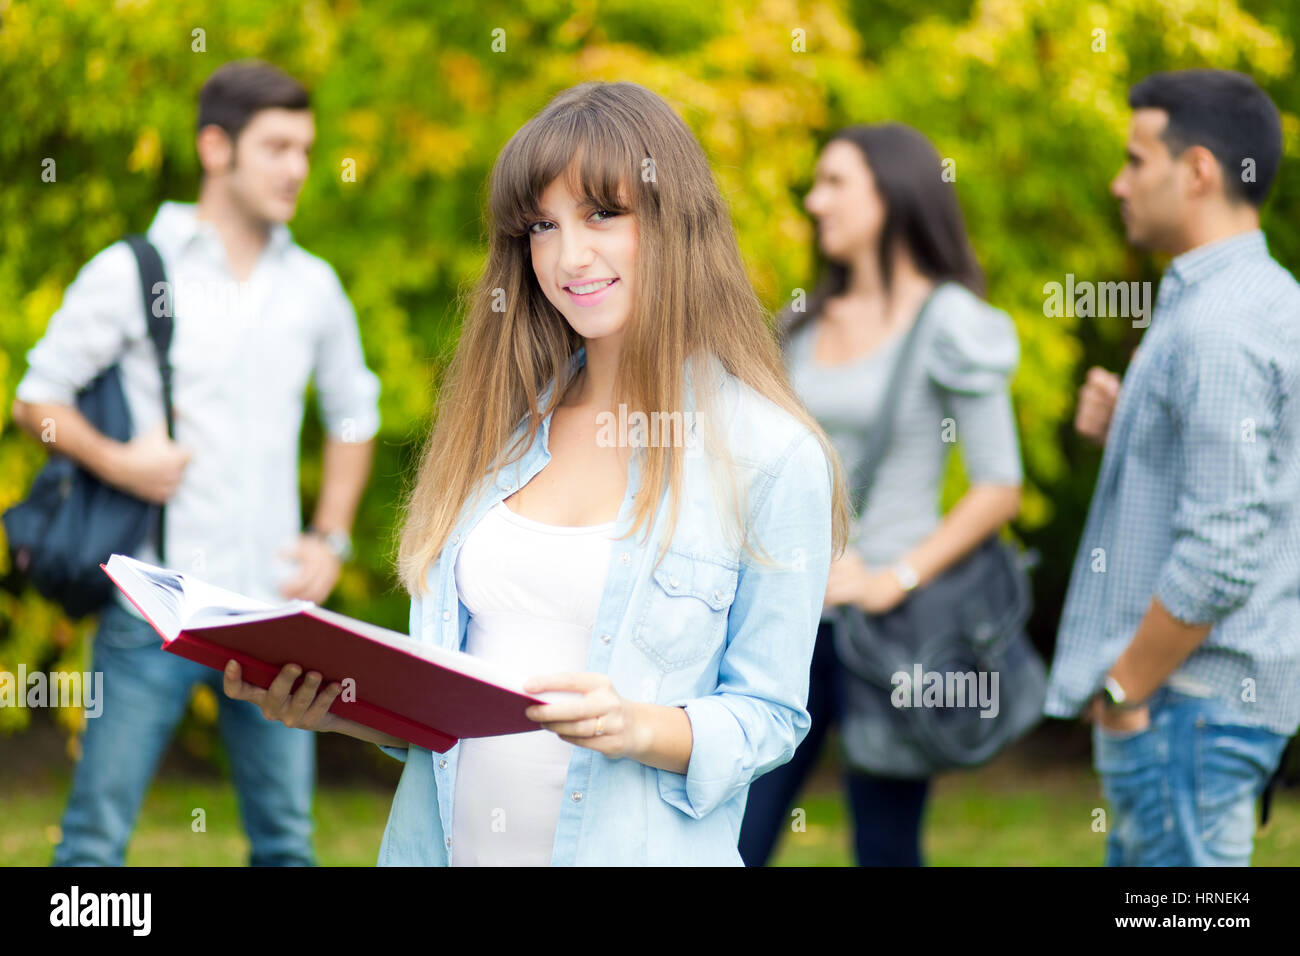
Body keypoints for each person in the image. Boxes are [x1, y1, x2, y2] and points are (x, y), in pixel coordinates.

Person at [222, 80, 851, 866]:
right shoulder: (500, 427)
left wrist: (637, 725)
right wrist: (337, 705)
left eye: (602, 214)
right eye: (542, 226)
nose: (568, 256)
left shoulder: (771, 455)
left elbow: (770, 716)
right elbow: (450, 713)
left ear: (676, 219)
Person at [12, 60, 381, 866]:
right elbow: (36, 401)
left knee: (287, 847)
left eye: (306, 149)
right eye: (277, 147)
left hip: (271, 613)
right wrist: (120, 461)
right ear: (217, 148)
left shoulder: (313, 286)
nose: (298, 168)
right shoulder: (135, 269)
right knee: (92, 847)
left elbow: (355, 412)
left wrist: (331, 537)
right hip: (155, 606)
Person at [739, 123, 1024, 866]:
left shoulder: (950, 321)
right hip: (787, 622)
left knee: (886, 847)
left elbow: (999, 486)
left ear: (893, 192)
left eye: (835, 182)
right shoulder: (800, 324)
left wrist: (894, 577)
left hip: (891, 631)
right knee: (735, 836)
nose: (814, 201)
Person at [1045, 68, 1300, 866]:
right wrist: (1133, 426)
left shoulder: (1220, 323)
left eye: (1135, 160)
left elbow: (1222, 547)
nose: (1118, 184)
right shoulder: (1248, 299)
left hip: (1184, 710)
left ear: (1197, 171)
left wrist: (1124, 689)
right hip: (1195, 710)